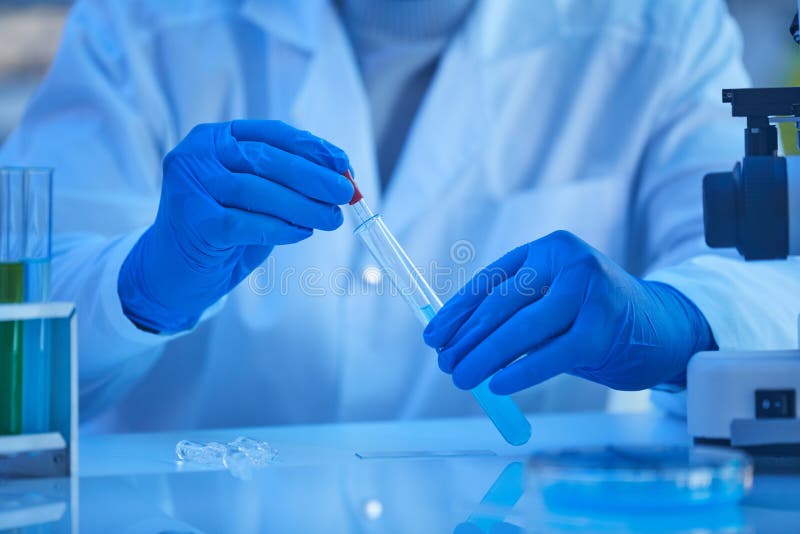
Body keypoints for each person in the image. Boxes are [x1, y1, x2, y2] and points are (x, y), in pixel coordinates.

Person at [2, 0, 798, 433]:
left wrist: (679, 319)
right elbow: (19, 349)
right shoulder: (139, 27)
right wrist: (139, 289)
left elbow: (772, 281)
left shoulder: (660, 29)